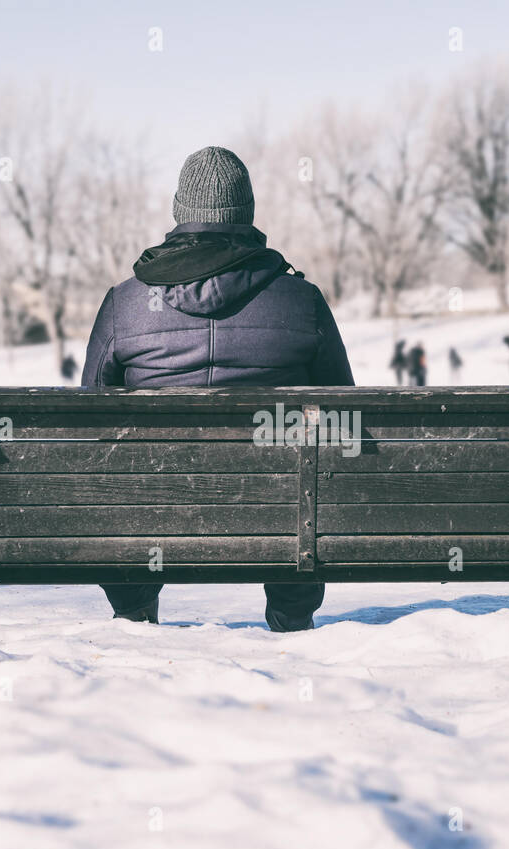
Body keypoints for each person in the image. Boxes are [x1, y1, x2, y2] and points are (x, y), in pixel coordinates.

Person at [80, 146, 354, 631]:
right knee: (311, 466)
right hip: (281, 513)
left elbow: (91, 415)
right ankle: (291, 611)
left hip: (151, 512)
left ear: (179, 212)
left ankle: (134, 607)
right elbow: (342, 410)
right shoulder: (301, 300)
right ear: (246, 213)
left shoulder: (126, 303)